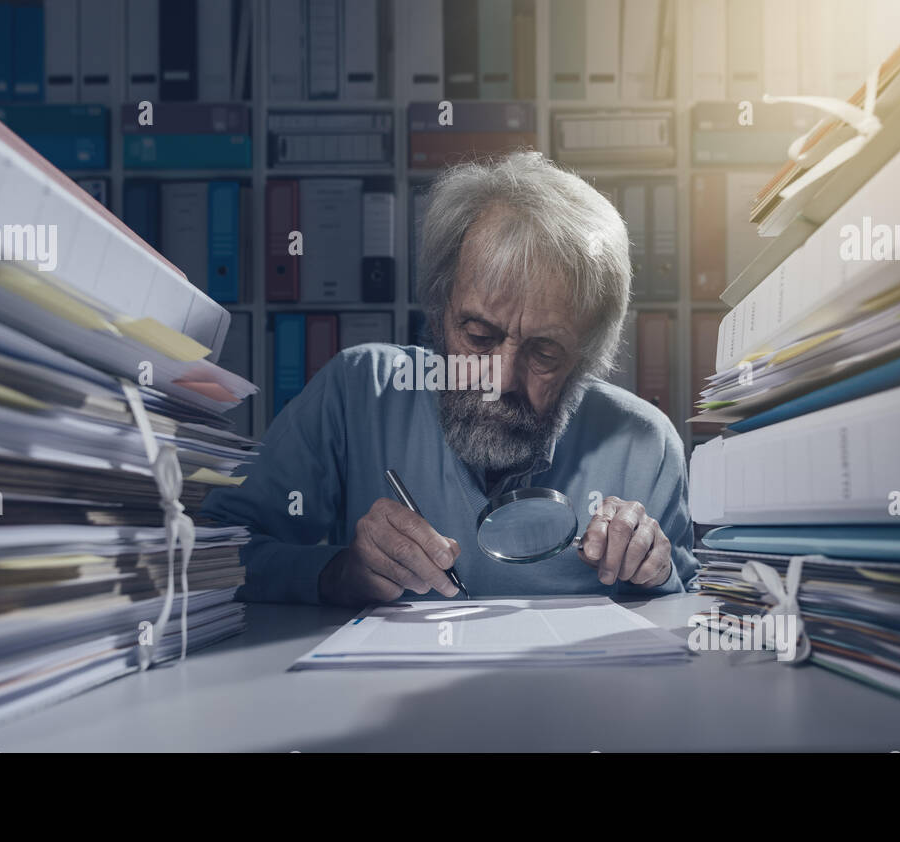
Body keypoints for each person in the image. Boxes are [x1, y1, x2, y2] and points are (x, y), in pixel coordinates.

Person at [203, 150, 698, 606]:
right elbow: (212, 551)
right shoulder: (359, 392)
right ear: (438, 315)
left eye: (544, 351)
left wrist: (656, 574)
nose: (501, 379)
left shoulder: (645, 446)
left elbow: (692, 609)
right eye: (480, 336)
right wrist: (337, 572)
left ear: (586, 356)